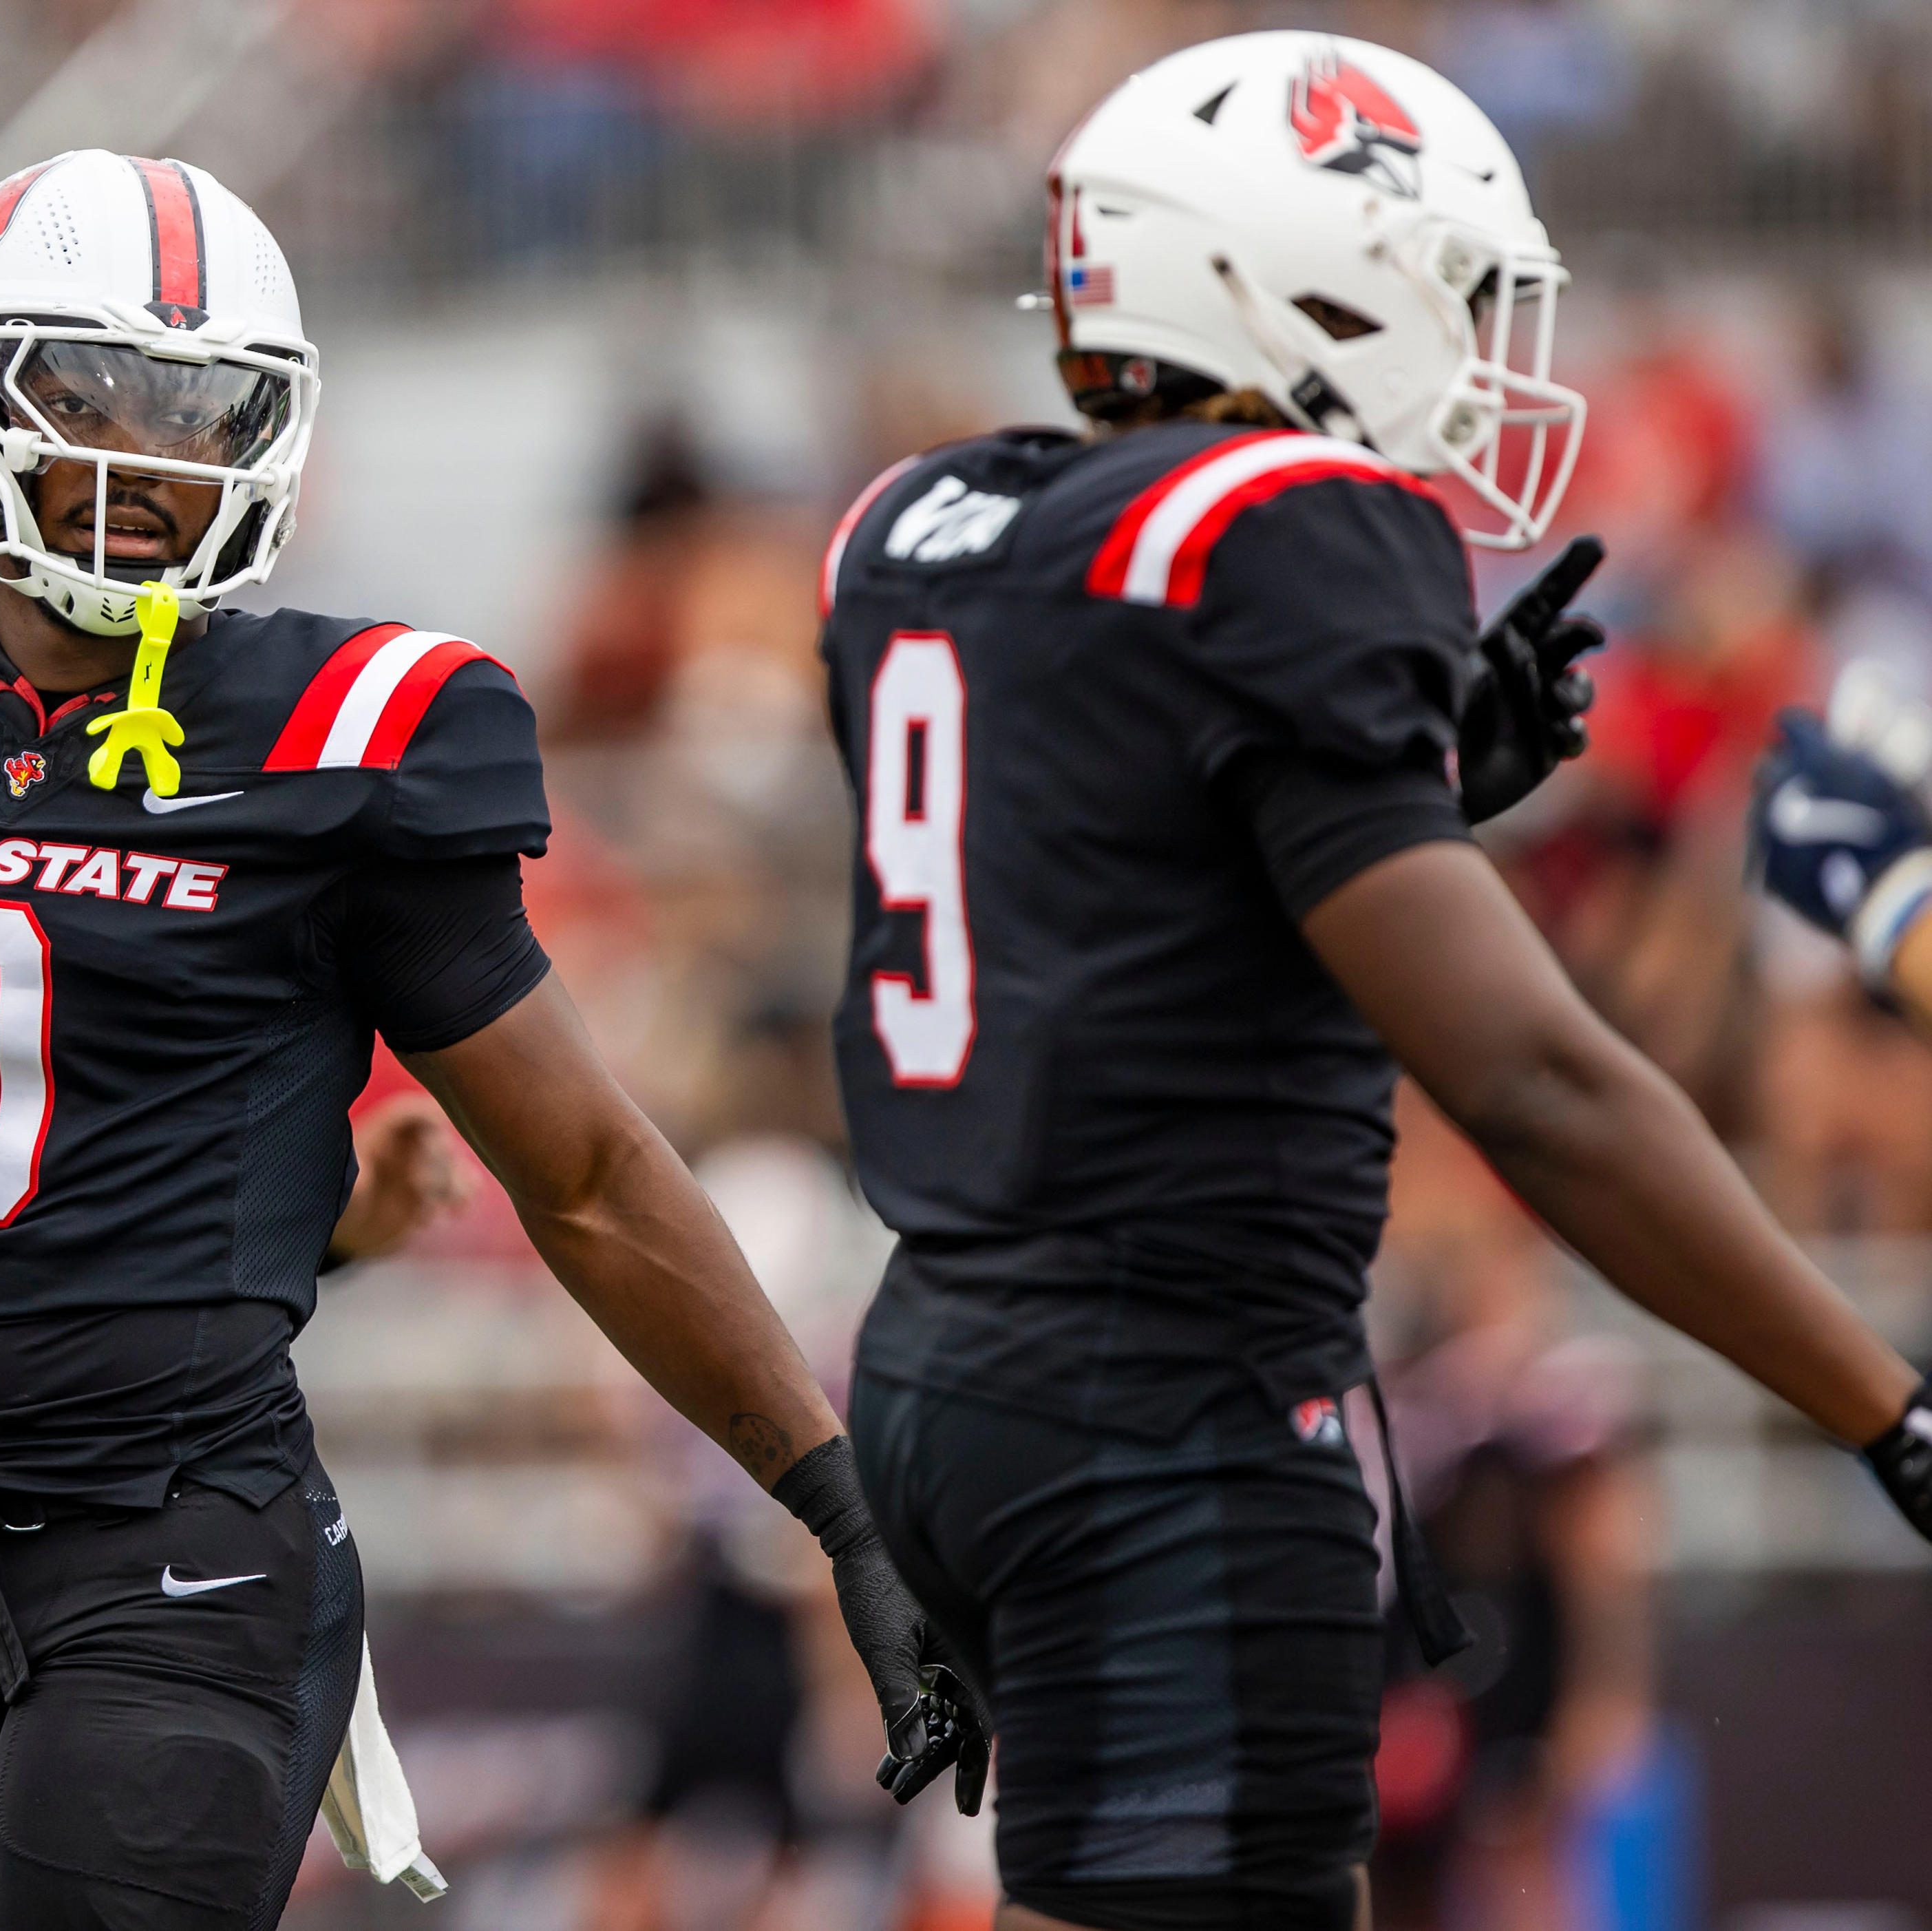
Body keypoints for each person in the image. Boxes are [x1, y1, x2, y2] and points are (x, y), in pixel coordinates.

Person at [0, 149, 977, 1931]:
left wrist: (839, 1509)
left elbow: (591, 1172)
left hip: (169, 1559)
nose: (150, 460)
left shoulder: (345, 738)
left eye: (199, 412)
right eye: (91, 398)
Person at [815, 34, 1932, 1930]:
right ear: (1272, 287)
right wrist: (1883, 1408)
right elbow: (1536, 1085)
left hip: (942, 1371)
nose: (1477, 355)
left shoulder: (922, 526)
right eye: (1440, 291)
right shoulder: (1284, 535)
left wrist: (1400, 797)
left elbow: (1109, 883)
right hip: (1170, 1404)